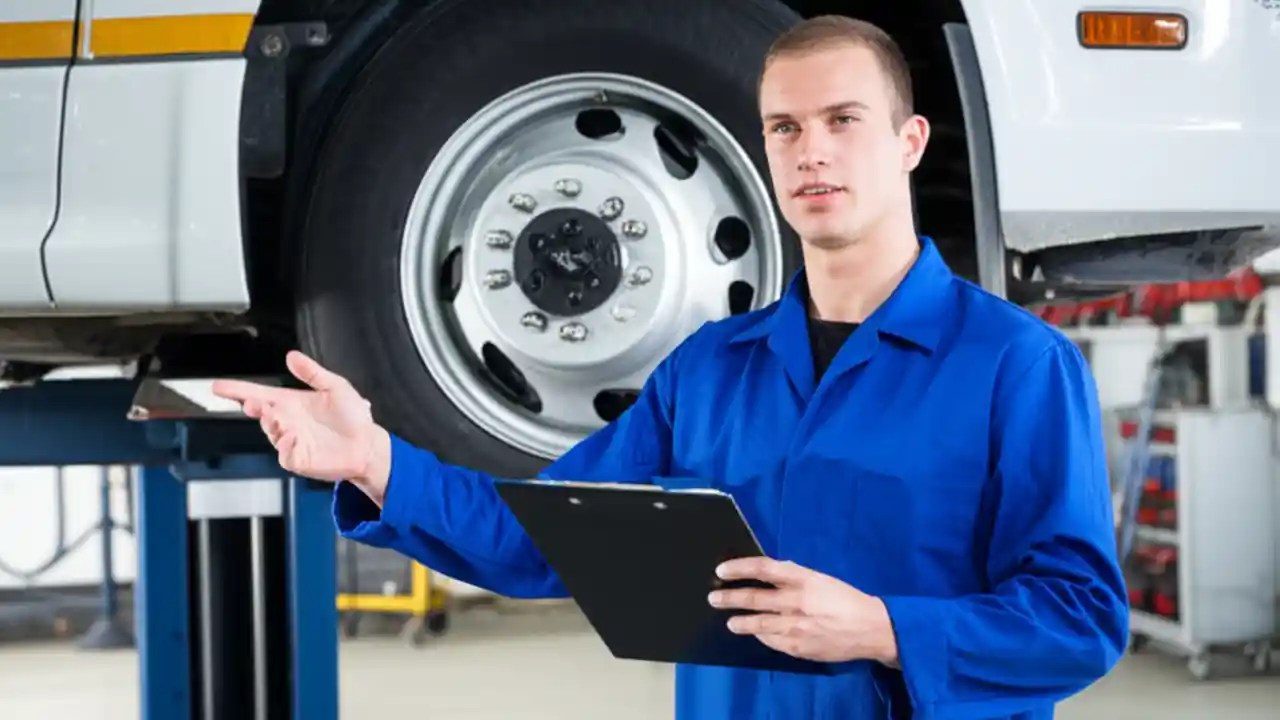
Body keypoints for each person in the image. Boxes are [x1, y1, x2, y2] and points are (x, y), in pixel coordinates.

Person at [213, 15, 1129, 719]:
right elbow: (552, 536)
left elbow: (1080, 620)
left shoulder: (1016, 365)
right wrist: (378, 463)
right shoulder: (710, 371)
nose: (811, 150)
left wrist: (885, 631)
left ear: (909, 142)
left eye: (843, 120)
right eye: (783, 128)